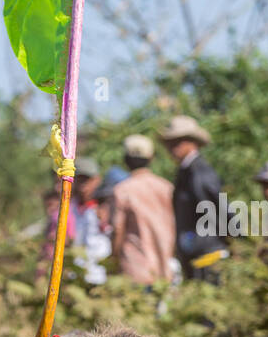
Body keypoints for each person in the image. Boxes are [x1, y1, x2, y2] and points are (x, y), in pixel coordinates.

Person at [160, 115, 226, 284]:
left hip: (207, 253)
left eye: (177, 142)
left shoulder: (199, 172)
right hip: (195, 253)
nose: (171, 148)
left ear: (192, 142)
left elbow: (218, 209)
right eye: (170, 142)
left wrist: (233, 243)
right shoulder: (185, 172)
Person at [110, 134, 176, 285]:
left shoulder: (122, 190)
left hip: (135, 269)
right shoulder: (166, 188)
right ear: (151, 158)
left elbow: (117, 229)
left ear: (125, 160)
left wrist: (113, 259)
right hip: (164, 267)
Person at [72, 157, 109, 286]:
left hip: (99, 275)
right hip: (76, 274)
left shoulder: (104, 207)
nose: (83, 185)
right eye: (80, 180)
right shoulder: (70, 206)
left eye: (87, 180)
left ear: (97, 180)